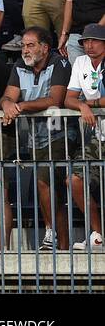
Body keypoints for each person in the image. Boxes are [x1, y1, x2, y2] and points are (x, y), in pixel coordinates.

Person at [0, 27, 72, 250]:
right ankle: (62, 244)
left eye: (30, 45)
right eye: (23, 45)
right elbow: (6, 96)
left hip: (60, 135)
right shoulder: (20, 65)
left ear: (45, 47)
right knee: (50, 190)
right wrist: (7, 105)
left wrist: (20, 106)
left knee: (44, 181)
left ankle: (52, 235)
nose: (25, 50)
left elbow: (55, 99)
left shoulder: (59, 63)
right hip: (34, 138)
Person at [65, 23, 105, 250]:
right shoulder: (80, 62)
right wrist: (82, 106)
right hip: (98, 137)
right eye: (85, 42)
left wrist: (91, 103)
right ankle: (97, 234)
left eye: (94, 41)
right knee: (74, 180)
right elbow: (68, 98)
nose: (89, 45)